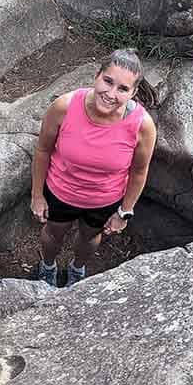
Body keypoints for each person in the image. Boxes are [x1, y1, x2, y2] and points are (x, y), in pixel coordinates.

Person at [30, 47, 157, 287]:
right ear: (96, 76)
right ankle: (47, 267)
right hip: (61, 192)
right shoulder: (64, 107)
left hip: (104, 200)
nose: (111, 94)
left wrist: (124, 212)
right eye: (108, 81)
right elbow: (43, 150)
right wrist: (37, 195)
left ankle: (77, 269)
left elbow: (139, 171)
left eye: (122, 89)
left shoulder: (142, 126)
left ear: (133, 93)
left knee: (89, 237)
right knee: (54, 232)